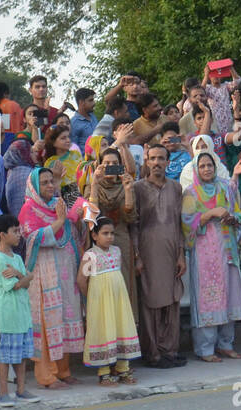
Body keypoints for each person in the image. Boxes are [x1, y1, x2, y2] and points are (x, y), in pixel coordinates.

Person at [18, 167, 86, 390]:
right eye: (45, 182)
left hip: (65, 270)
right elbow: (34, 237)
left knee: (66, 316)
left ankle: (63, 370)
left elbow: (82, 208)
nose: (49, 186)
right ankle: (46, 375)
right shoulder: (29, 208)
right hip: (44, 273)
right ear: (35, 187)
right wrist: (59, 221)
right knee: (49, 322)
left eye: (51, 181)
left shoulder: (60, 202)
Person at [182, 149, 241, 362]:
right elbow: (186, 222)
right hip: (205, 253)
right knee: (208, 298)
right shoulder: (191, 193)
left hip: (227, 250)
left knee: (230, 295)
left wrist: (232, 218)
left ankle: (226, 344)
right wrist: (210, 213)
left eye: (210, 165)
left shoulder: (226, 188)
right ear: (196, 169)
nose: (207, 169)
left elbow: (238, 213)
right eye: (202, 166)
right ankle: (205, 348)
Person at [132, 142, 189, 367]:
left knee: (172, 301)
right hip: (148, 251)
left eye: (161, 158)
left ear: (168, 162)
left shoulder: (176, 188)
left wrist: (181, 254)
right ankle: (152, 352)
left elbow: (179, 223)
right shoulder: (137, 188)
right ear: (146, 161)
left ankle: (170, 350)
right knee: (151, 302)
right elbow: (134, 225)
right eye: (152, 158)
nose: (156, 163)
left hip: (172, 250)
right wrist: (137, 255)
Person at [77, 216, 141, 385]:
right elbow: (81, 280)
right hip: (100, 302)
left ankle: (123, 369)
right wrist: (92, 298)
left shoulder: (117, 251)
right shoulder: (90, 255)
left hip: (118, 300)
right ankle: (104, 373)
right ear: (95, 235)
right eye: (105, 233)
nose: (110, 237)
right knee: (103, 331)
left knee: (122, 328)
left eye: (112, 233)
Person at [0, 213, 39, 406]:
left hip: (22, 314)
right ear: (2, 235)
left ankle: (21, 389)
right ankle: (3, 392)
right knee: (6, 356)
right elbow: (18, 284)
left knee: (22, 355)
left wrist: (23, 276)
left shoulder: (16, 257)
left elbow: (24, 281)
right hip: (9, 315)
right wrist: (26, 276)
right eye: (15, 231)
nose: (19, 234)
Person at [87, 145, 139, 314]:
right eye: (106, 163)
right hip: (99, 244)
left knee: (123, 283)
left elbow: (130, 218)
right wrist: (94, 184)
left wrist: (128, 191)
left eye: (115, 163)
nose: (110, 167)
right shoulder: (92, 186)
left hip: (121, 240)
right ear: (99, 165)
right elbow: (90, 219)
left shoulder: (126, 185)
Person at [2, 135, 36, 219]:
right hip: (28, 219)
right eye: (31, 152)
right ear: (23, 155)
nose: (35, 154)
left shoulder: (11, 172)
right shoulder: (27, 173)